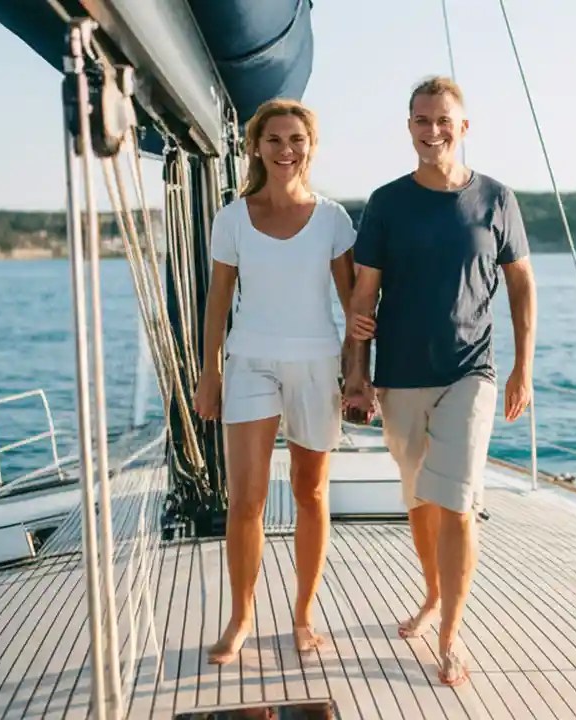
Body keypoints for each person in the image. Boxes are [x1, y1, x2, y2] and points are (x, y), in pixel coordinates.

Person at [344, 76, 537, 687]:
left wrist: (522, 367)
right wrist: (357, 375)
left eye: (443, 121)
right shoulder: (385, 203)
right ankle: (432, 594)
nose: (433, 131)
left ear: (464, 126)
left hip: (469, 372)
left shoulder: (497, 199)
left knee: (454, 503)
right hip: (399, 376)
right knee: (421, 501)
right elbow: (362, 295)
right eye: (422, 121)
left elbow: (522, 284)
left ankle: (451, 634)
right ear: (409, 128)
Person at [192, 98, 373, 665]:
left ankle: (302, 614)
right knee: (245, 499)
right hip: (250, 361)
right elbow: (217, 303)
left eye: (296, 139)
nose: (286, 149)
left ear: (310, 146)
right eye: (274, 139)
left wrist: (358, 376)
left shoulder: (333, 219)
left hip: (317, 364)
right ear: (255, 147)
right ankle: (241, 617)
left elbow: (351, 307)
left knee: (309, 492)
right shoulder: (232, 218)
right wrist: (209, 372)